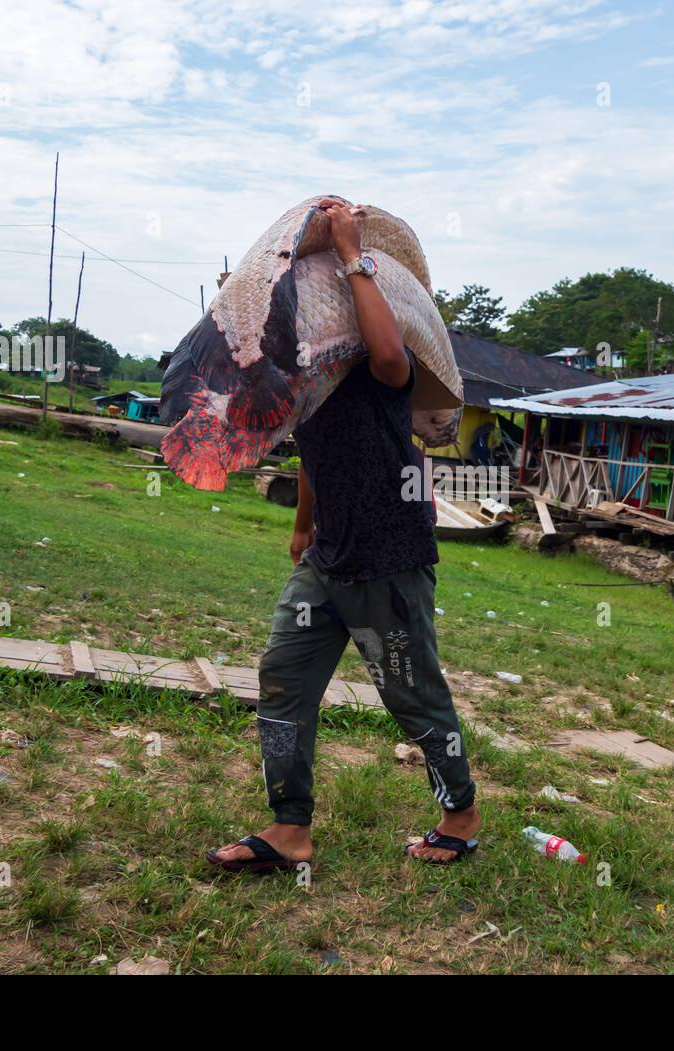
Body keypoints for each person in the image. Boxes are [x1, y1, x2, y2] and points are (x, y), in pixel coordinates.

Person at [207, 200, 479, 872]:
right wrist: (304, 522)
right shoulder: (308, 378)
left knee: (411, 690)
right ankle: (288, 826)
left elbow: (387, 349)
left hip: (388, 555)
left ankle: (460, 813)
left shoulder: (385, 370)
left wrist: (353, 255)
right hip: (329, 556)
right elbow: (311, 453)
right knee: (284, 675)